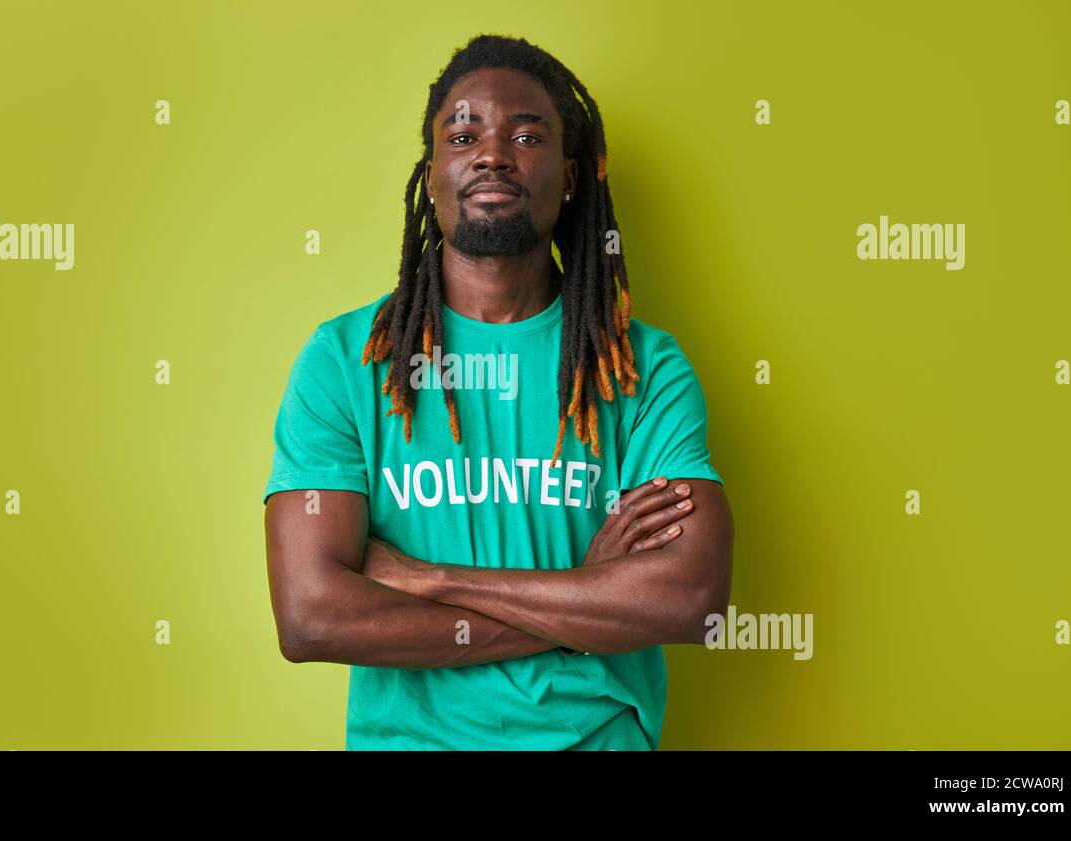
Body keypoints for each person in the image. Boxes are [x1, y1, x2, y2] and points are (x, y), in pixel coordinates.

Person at [263, 34, 734, 750]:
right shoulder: (348, 361)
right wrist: (586, 596)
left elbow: (693, 599)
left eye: (526, 134)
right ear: (431, 176)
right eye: (463, 133)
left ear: (571, 177)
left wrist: (428, 577)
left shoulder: (640, 367)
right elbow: (310, 617)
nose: (492, 153)